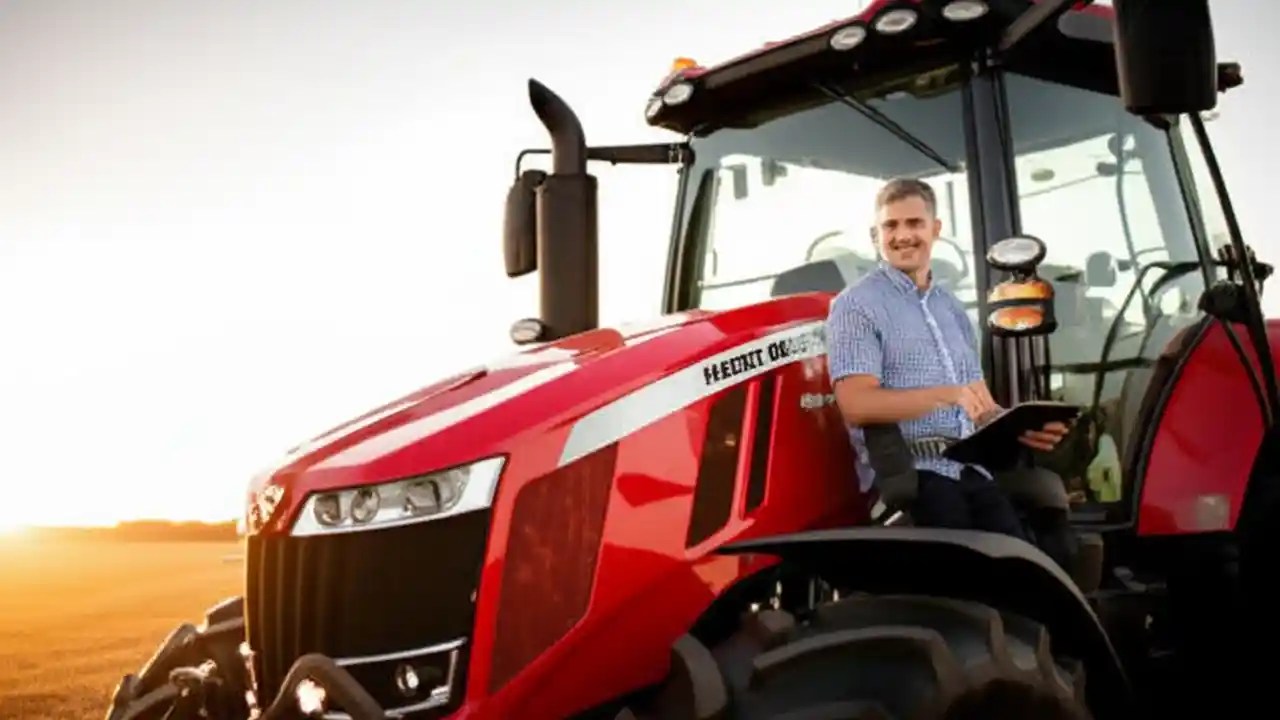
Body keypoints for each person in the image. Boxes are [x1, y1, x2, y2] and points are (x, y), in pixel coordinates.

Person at [825, 177, 1071, 540]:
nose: (902, 235)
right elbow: (856, 404)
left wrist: (1022, 426)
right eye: (890, 225)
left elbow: (980, 406)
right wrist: (945, 395)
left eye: (914, 223)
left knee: (1023, 556)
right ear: (875, 235)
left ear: (935, 229)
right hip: (913, 474)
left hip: (969, 469)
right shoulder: (855, 305)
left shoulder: (951, 308)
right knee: (966, 562)